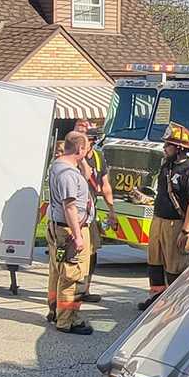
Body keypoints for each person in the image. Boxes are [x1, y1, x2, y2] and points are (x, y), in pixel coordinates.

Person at [138, 122, 189, 311]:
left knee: (175, 266)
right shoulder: (166, 165)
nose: (164, 148)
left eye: (168, 145)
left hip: (176, 225)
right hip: (158, 221)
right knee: (154, 261)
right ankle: (158, 299)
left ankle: (175, 303)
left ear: (180, 148)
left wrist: (186, 230)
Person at [45, 131, 94, 335]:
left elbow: (88, 176)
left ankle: (55, 311)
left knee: (57, 272)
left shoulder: (60, 166)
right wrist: (78, 235)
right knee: (72, 276)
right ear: (80, 149)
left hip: (60, 228)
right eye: (86, 148)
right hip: (70, 229)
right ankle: (67, 320)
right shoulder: (67, 175)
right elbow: (70, 206)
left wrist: (82, 162)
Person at [72, 120, 117, 303]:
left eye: (82, 138)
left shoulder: (98, 158)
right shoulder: (71, 158)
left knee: (91, 252)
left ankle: (85, 289)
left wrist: (111, 210)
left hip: (90, 213)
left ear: (92, 140)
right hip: (74, 214)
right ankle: (69, 293)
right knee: (73, 254)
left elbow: (104, 185)